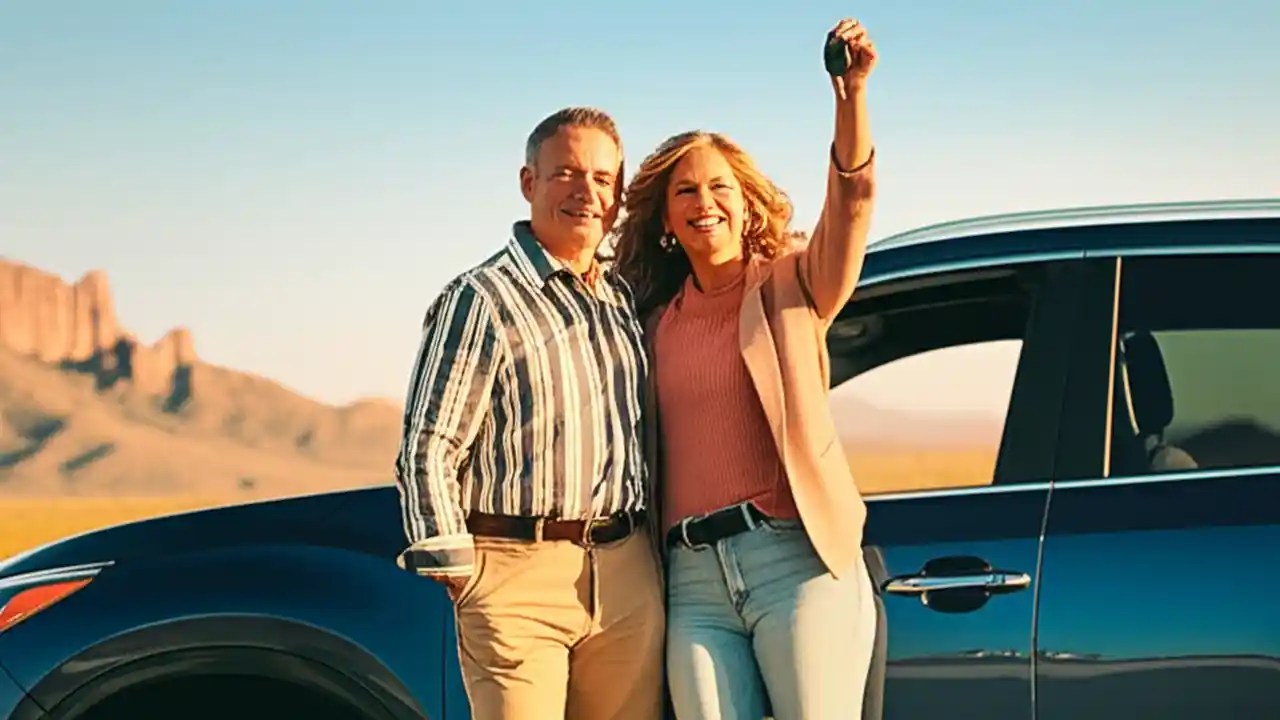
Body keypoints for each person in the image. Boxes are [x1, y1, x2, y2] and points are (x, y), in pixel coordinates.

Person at [613, 18, 880, 720]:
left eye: (720, 187)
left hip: (794, 563)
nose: (706, 203)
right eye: (687, 192)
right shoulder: (652, 323)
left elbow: (851, 205)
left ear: (745, 199)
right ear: (666, 221)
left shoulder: (792, 285)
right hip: (692, 580)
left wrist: (849, 94)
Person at [393, 106, 663, 720]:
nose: (585, 191)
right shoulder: (481, 298)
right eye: (566, 172)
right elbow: (428, 444)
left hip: (627, 574)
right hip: (514, 574)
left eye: (602, 177)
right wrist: (462, 573)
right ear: (528, 183)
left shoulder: (621, 299)